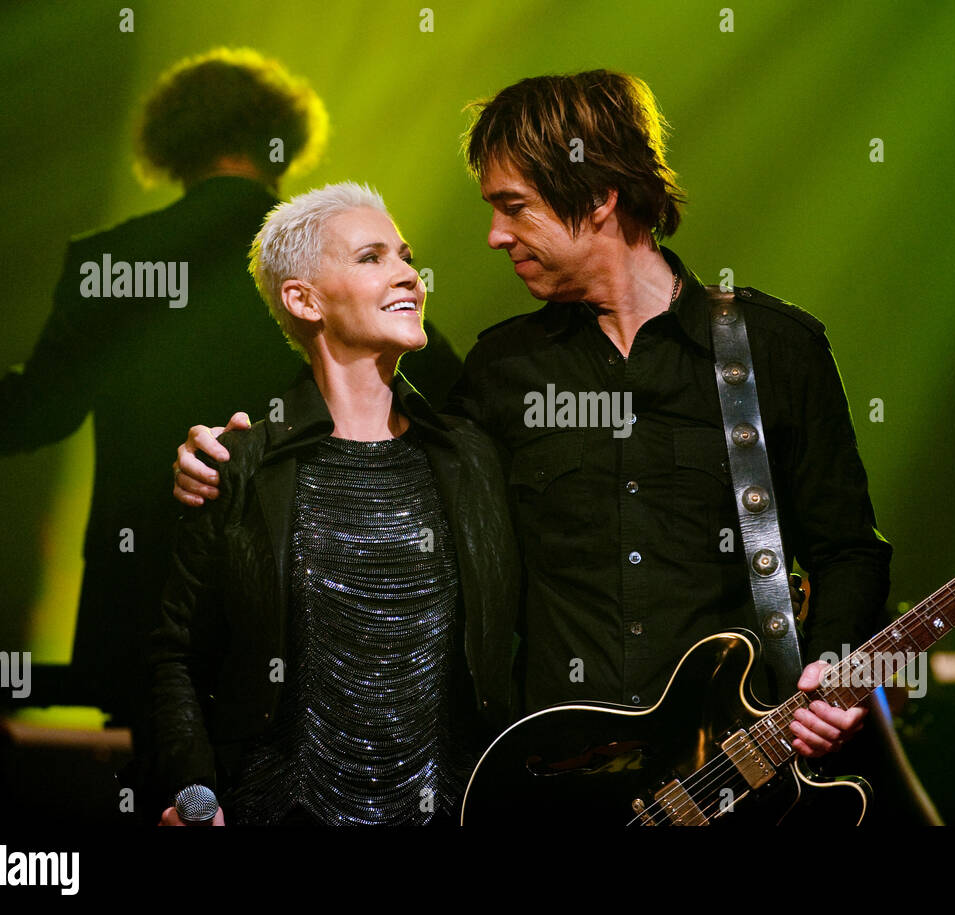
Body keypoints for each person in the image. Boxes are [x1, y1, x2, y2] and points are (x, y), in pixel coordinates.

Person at [176, 70, 915, 820]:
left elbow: (850, 548)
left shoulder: (776, 348)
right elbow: (374, 453)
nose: (495, 234)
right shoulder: (502, 371)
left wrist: (832, 670)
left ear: (599, 196)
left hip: (738, 780)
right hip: (552, 790)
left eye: (514, 207)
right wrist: (229, 456)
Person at [0, 48, 463, 754]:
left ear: (170, 145)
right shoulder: (333, 265)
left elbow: (29, 412)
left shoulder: (112, 261)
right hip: (315, 604)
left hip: (149, 607)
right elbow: (452, 399)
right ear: (283, 141)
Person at [152, 181, 518, 825]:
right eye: (372, 257)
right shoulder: (239, 464)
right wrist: (193, 792)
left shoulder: (469, 456)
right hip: (280, 810)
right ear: (304, 298)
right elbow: (176, 653)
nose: (408, 273)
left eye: (405, 256)